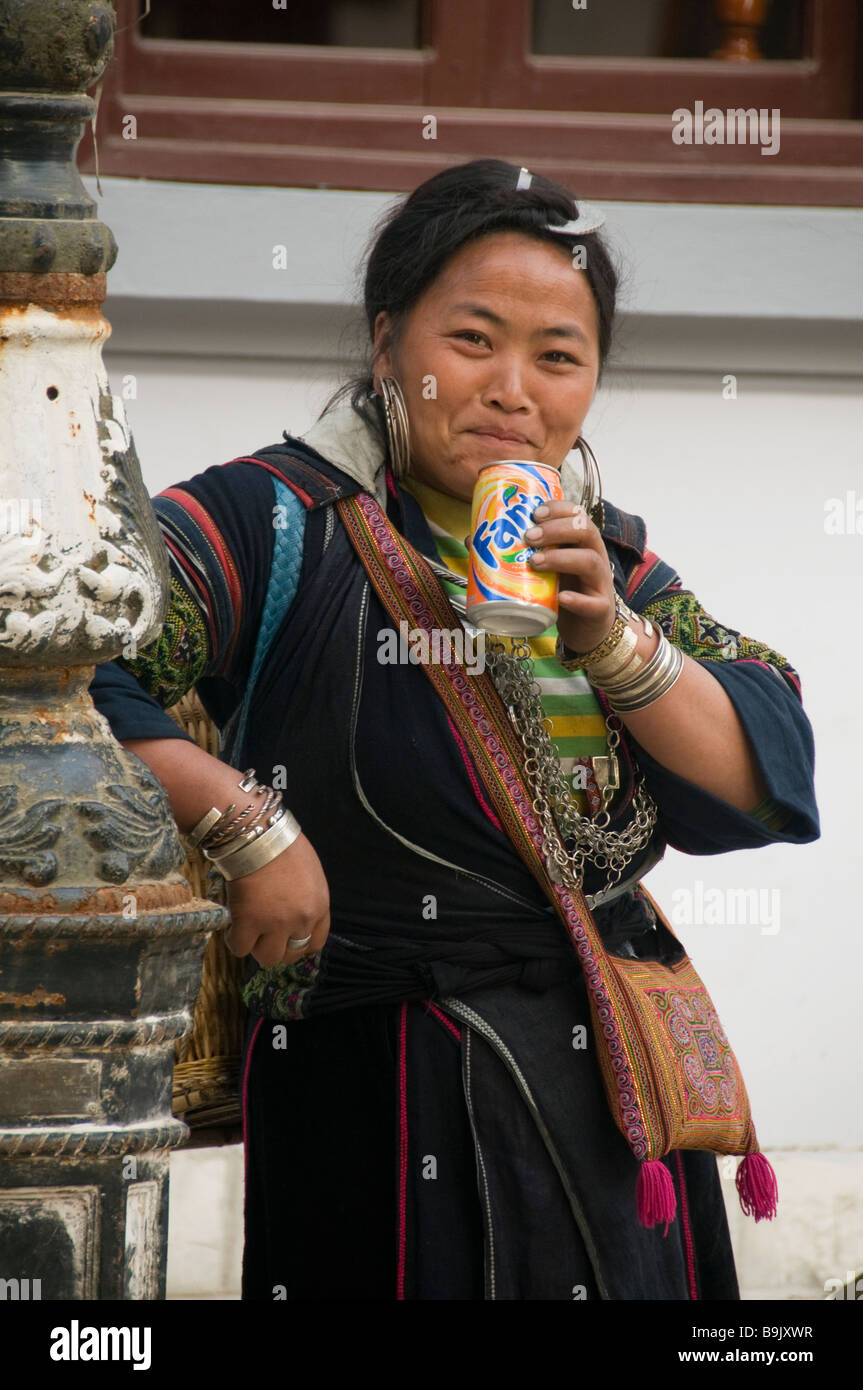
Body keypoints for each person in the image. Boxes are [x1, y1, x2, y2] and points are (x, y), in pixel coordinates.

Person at [89, 158, 819, 1301]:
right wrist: (246, 826)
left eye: (557, 356)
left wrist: (617, 645)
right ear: (388, 346)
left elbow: (765, 767)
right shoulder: (273, 519)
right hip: (380, 1095)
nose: (511, 388)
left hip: (611, 1102)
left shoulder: (610, 560)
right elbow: (72, 664)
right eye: (471, 340)